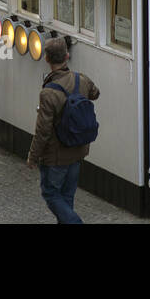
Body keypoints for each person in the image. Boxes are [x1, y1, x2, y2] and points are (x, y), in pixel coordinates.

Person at [26, 38, 100, 225]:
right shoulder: (81, 79)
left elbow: (42, 131)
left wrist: (33, 157)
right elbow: (95, 93)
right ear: (67, 56)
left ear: (46, 59)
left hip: (55, 155)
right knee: (67, 197)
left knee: (51, 193)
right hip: (78, 149)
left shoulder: (48, 93)